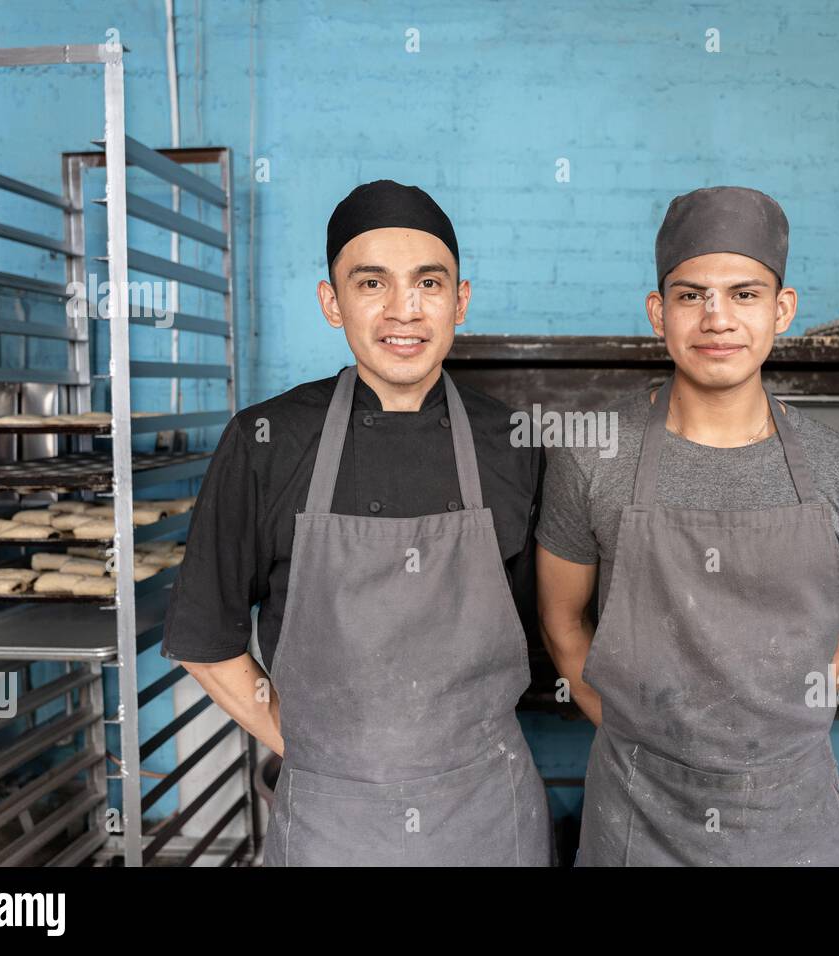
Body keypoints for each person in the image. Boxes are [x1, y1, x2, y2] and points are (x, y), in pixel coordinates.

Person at [162, 180, 552, 866]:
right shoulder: (266, 441)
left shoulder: (516, 442)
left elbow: (552, 624)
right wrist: (313, 748)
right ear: (331, 302)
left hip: (488, 812)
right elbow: (204, 634)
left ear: (459, 300)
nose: (405, 310)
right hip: (330, 826)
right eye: (371, 283)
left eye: (429, 284)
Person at [536, 185, 839, 866]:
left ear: (782, 310)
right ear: (658, 313)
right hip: (637, 810)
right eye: (691, 295)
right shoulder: (592, 458)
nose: (717, 318)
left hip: (793, 814)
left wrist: (766, 735)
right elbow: (562, 623)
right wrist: (640, 734)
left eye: (745, 294)